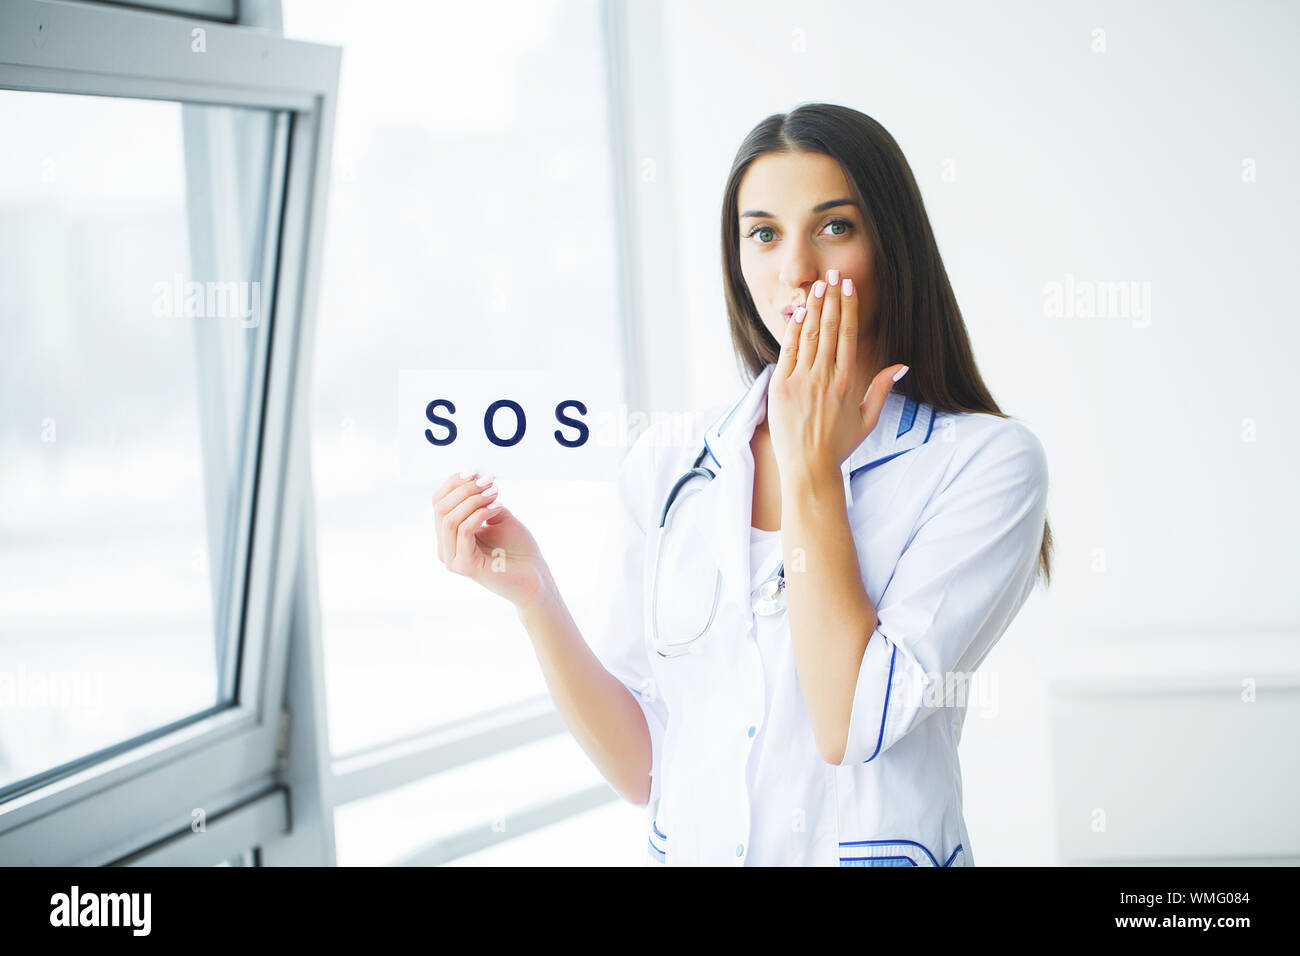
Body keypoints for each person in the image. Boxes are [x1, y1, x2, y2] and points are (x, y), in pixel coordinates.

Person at [432, 102, 1052, 866]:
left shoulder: (988, 465)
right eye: (763, 234)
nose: (795, 271)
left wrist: (810, 466)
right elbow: (644, 768)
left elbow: (850, 723)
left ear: (893, 247)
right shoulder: (669, 463)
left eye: (833, 227)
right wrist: (536, 599)